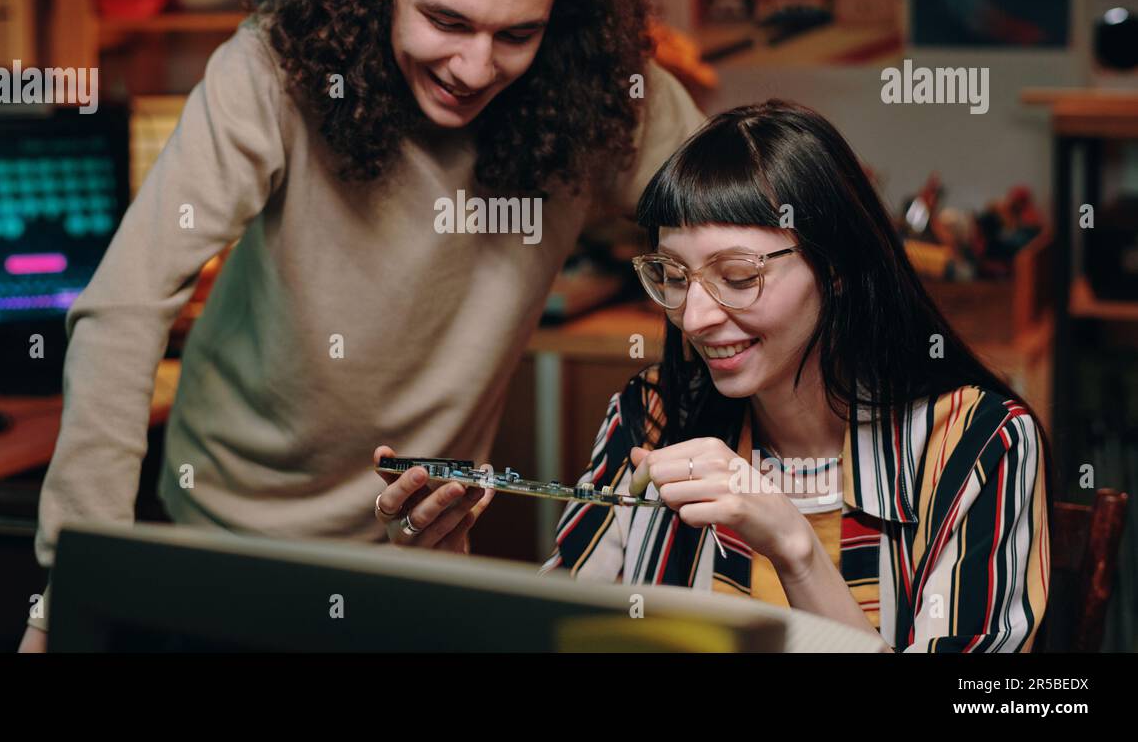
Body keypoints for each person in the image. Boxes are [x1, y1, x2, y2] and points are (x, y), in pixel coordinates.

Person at [19, 0, 705, 650]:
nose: (474, 66)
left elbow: (733, 227)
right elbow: (122, 309)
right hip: (222, 532)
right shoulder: (272, 72)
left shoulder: (600, 95)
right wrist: (68, 586)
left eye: (515, 33)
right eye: (445, 21)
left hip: (413, 550)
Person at [375, 99, 1053, 653]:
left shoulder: (977, 444)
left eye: (737, 277)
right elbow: (570, 633)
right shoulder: (651, 417)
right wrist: (449, 563)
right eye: (672, 277)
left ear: (838, 269)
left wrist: (794, 548)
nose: (695, 317)